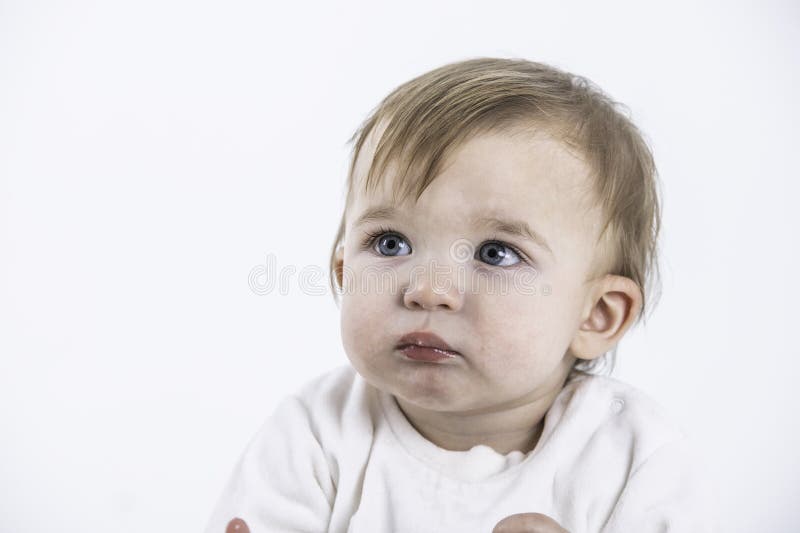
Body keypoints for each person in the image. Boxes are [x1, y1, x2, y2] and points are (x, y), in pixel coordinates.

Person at [205, 57, 716, 533]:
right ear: (344, 274)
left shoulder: (634, 458)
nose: (428, 290)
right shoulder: (315, 433)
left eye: (496, 253)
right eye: (390, 243)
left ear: (596, 315)